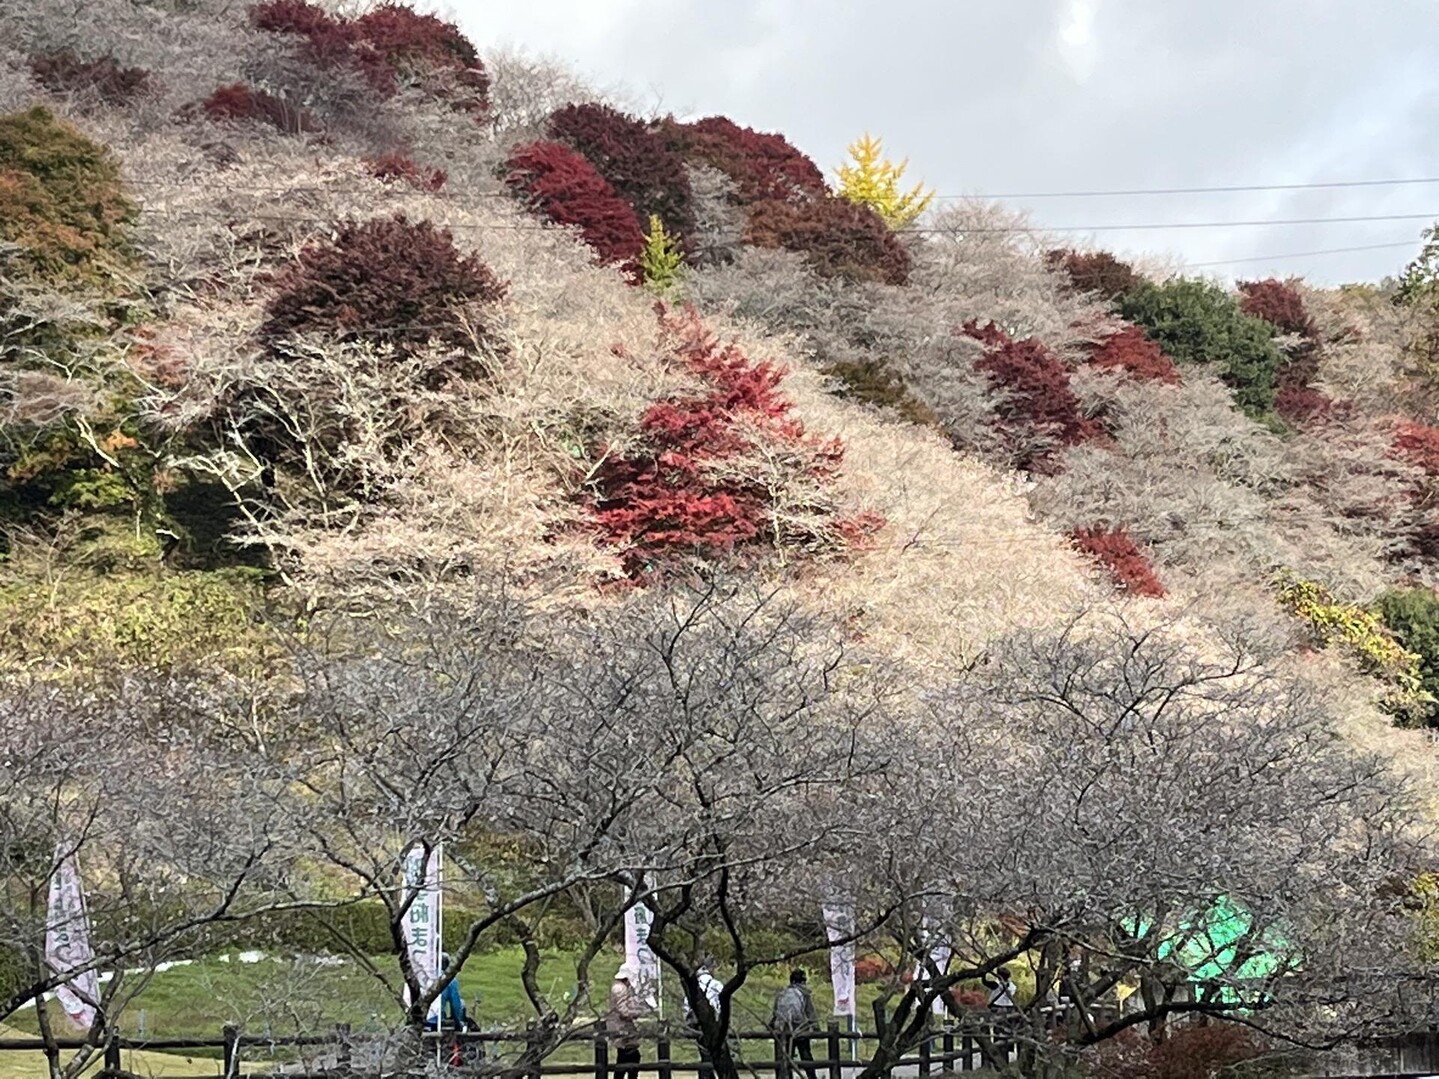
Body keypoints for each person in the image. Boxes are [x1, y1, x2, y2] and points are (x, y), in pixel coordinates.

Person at [769, 969, 820, 1079]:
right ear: (802, 981)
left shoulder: (782, 994)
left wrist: (773, 1025)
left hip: (785, 1030)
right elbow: (810, 1012)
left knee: (786, 1057)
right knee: (806, 1056)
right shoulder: (804, 994)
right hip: (800, 1029)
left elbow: (775, 1012)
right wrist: (816, 1028)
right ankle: (812, 1077)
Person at [607, 964, 649, 1079]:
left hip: (619, 1026)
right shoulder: (620, 989)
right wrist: (637, 1013)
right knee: (630, 1056)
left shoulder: (618, 987)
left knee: (626, 1057)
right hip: (622, 1028)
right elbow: (624, 1012)